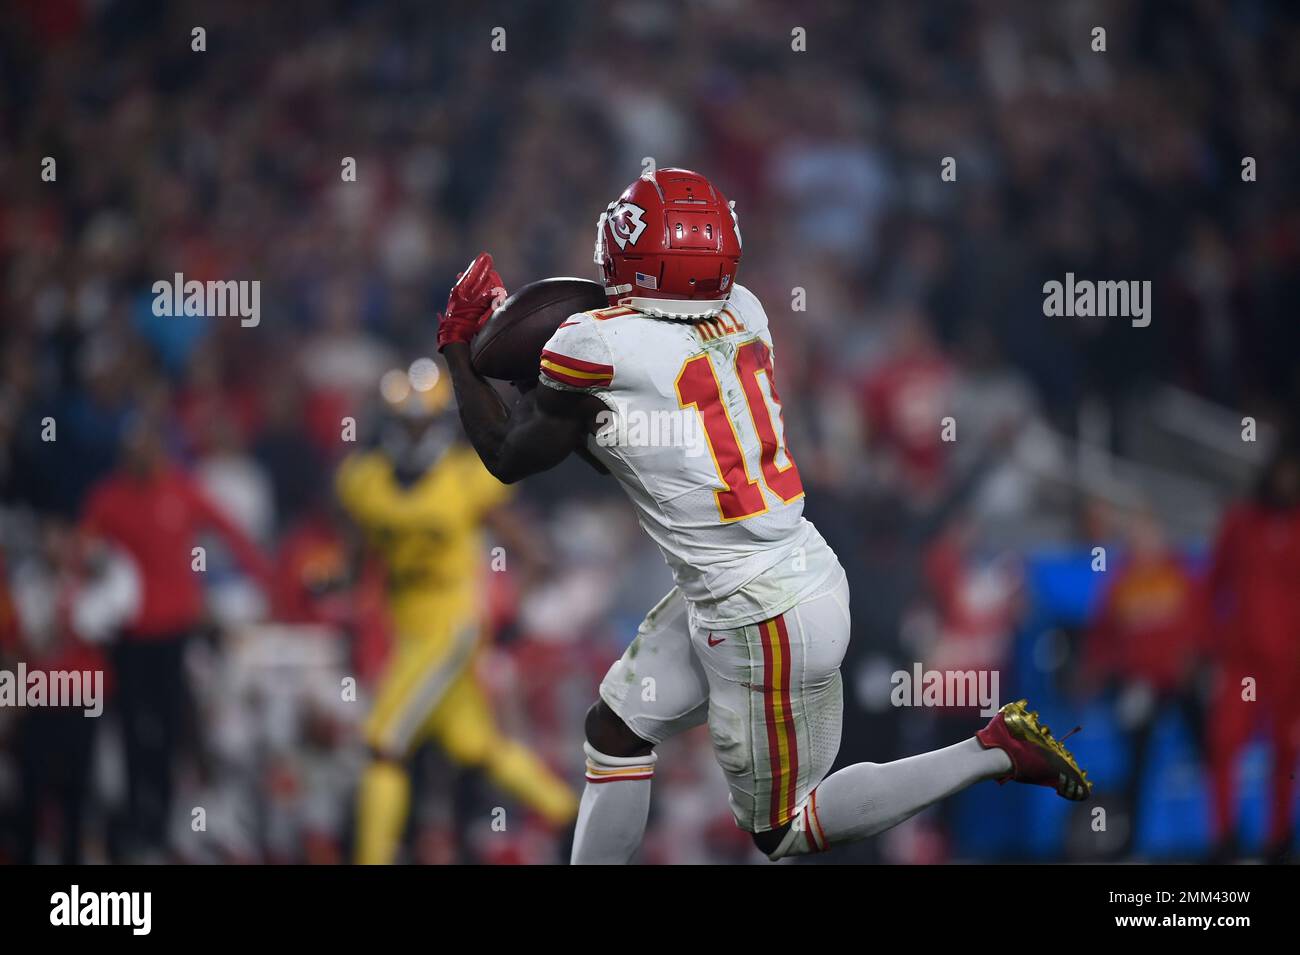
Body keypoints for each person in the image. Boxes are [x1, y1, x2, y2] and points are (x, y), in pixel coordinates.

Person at [438, 168, 1090, 864]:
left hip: (757, 613)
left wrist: (460, 345)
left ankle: (991, 751)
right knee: (617, 727)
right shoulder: (746, 309)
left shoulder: (595, 344)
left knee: (784, 830)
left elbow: (508, 454)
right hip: (769, 572)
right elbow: (629, 431)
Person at [336, 365, 576, 864]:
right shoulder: (368, 481)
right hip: (408, 627)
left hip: (451, 625)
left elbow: (531, 553)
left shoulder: (464, 477)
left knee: (383, 742)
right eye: (406, 421)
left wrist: (511, 613)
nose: (414, 432)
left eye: (422, 422)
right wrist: (334, 583)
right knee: (475, 745)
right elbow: (360, 559)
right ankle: (569, 814)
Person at [1203, 443, 1300, 862]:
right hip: (1242, 661)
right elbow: (1211, 586)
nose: (1287, 482)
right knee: (1225, 743)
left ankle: (1278, 839)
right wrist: (1209, 647)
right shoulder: (1241, 523)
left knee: (1287, 749)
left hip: (1292, 664)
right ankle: (1225, 836)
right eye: (1283, 472)